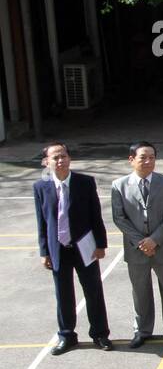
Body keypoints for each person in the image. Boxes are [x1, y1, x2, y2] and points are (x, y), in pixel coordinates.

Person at [34, 142, 111, 354]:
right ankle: (67, 335)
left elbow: (96, 215)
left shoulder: (84, 183)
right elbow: (42, 222)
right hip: (58, 249)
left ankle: (100, 334)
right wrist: (44, 251)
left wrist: (101, 244)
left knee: (93, 290)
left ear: (69, 158)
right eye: (55, 157)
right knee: (63, 294)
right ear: (46, 162)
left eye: (63, 156)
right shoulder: (40, 187)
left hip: (85, 246)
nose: (60, 160)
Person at [111, 141, 163, 349]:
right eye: (143, 157)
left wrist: (155, 239)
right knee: (140, 292)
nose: (148, 161)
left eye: (152, 157)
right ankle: (142, 330)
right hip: (136, 249)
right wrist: (140, 241)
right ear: (131, 160)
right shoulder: (119, 185)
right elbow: (119, 218)